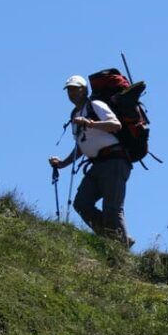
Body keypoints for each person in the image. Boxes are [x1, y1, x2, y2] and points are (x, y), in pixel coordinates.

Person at [49, 75, 134, 246]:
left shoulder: (95, 105)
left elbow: (115, 125)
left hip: (114, 160)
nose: (72, 93)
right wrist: (63, 164)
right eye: (69, 90)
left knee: (112, 209)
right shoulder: (75, 115)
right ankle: (114, 240)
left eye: (75, 89)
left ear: (85, 90)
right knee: (82, 203)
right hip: (97, 164)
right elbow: (81, 145)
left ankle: (120, 247)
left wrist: (89, 123)